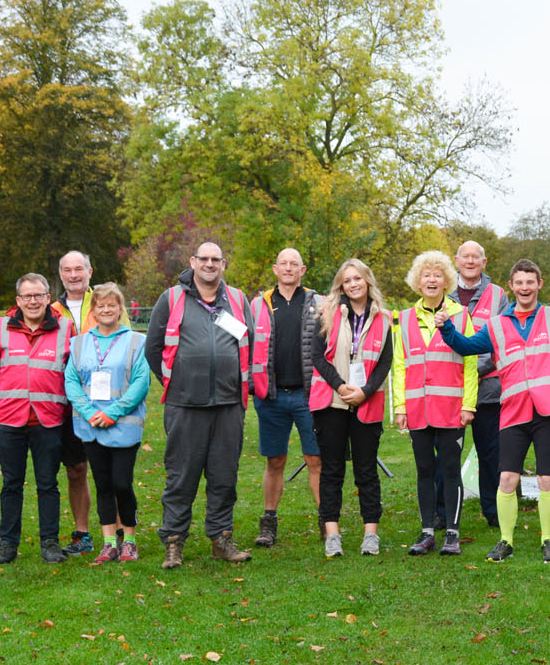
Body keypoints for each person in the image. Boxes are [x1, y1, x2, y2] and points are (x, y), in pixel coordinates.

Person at [438, 257, 550, 564]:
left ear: (539, 284)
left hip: (549, 411)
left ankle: (548, 540)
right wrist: (446, 328)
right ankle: (506, 541)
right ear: (511, 286)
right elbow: (465, 347)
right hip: (514, 412)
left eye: (530, 282)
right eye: (519, 282)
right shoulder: (496, 326)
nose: (525, 287)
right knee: (507, 478)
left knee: (546, 479)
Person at [144, 241, 255, 567]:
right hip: (184, 405)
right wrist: (175, 381)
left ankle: (221, 539)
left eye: (215, 259)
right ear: (192, 262)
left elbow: (249, 343)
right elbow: (153, 347)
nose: (209, 264)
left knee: (224, 477)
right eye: (203, 259)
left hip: (228, 404)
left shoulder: (237, 300)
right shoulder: (171, 298)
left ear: (223, 264)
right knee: (181, 477)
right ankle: (174, 542)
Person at [0, 273, 74, 565]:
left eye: (38, 295)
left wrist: (65, 407)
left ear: (48, 298)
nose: (33, 301)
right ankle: (7, 544)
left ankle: (50, 542)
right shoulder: (2, 328)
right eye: (27, 296)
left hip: (49, 421)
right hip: (10, 422)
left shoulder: (66, 328)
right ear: (18, 300)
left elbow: (76, 373)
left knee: (48, 484)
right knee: (11, 484)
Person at [392, 251, 478, 556]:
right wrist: (400, 407)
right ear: (418, 282)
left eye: (437, 275)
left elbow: (470, 362)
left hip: (452, 409)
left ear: (446, 282)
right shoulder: (404, 319)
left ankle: (452, 533)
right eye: (426, 275)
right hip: (418, 409)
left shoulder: (461, 315)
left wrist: (469, 404)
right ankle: (427, 531)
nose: (431, 279)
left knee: (450, 471)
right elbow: (399, 365)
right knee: (424, 470)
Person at [309, 259, 393, 558]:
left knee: (366, 470)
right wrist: (341, 386)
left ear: (367, 281)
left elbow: (385, 361)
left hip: (366, 402)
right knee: (332, 470)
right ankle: (332, 534)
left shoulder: (384, 317)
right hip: (332, 401)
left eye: (358, 278)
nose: (353, 284)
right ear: (341, 286)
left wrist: (365, 391)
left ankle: (371, 534)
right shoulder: (327, 312)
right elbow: (317, 355)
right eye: (347, 280)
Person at [65, 283, 150, 564]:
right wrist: (88, 411)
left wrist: (113, 412)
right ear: (93, 311)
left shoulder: (136, 341)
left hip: (123, 425)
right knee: (102, 485)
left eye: (111, 305)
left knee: (122, 484)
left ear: (120, 309)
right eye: (100, 305)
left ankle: (130, 541)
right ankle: (109, 542)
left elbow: (141, 382)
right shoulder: (79, 343)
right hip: (91, 425)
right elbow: (71, 381)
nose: (106, 310)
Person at [52, 251, 128, 556]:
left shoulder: (105, 301)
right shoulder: (51, 309)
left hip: (109, 402)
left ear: (89, 271)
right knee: (76, 469)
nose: (73, 275)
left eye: (79, 269)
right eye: (67, 270)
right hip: (70, 402)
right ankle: (82, 534)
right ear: (61, 274)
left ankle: (121, 532)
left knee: (113, 470)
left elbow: (126, 344)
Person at [250, 248, 325, 548]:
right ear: (275, 268)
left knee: (315, 459)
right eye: (284, 263)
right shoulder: (259, 304)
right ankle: (269, 522)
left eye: (295, 264)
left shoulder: (319, 303)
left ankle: (327, 521)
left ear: (302, 270)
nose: (289, 268)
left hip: (310, 396)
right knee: (275, 460)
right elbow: (245, 345)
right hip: (271, 396)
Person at [446, 240, 508, 527]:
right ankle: (444, 512)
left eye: (476, 257)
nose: (470, 261)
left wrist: (473, 371)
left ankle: (494, 512)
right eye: (465, 256)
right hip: (451, 390)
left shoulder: (498, 295)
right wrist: (459, 376)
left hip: (489, 390)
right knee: (448, 455)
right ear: (457, 260)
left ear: (484, 262)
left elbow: (503, 340)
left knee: (491, 454)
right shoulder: (443, 293)